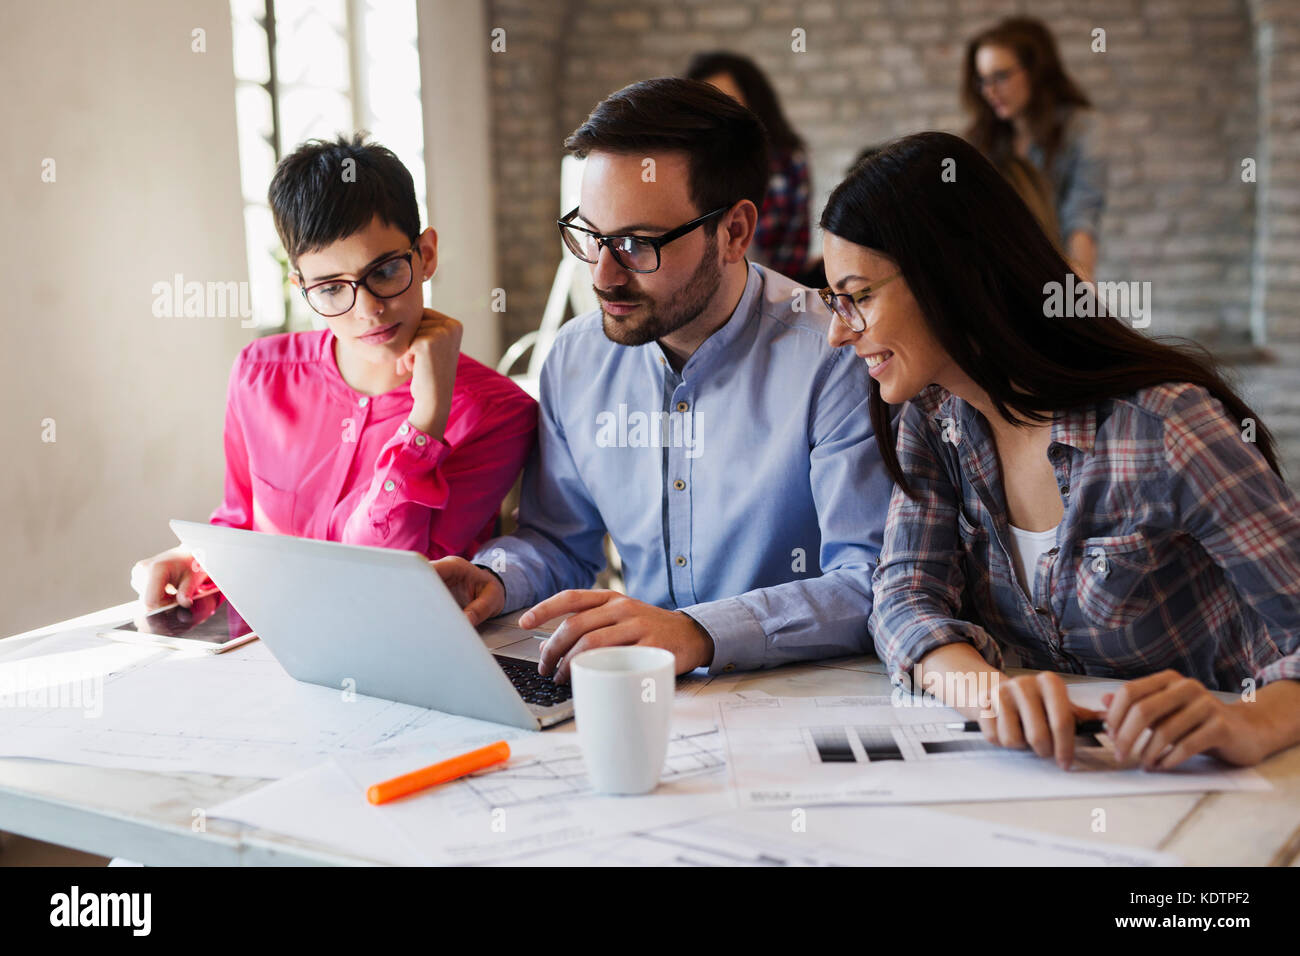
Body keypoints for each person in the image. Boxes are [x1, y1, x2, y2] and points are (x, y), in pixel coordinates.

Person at [820, 131, 1300, 771]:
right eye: (833, 300)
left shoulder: (1164, 427)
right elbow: (905, 596)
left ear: (952, 277)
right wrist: (989, 692)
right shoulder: (934, 422)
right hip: (1070, 782)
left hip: (1231, 786)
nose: (834, 333)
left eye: (858, 296)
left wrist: (1250, 722)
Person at [432, 78, 892, 682]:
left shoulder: (832, 356)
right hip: (640, 689)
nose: (603, 276)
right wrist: (495, 576)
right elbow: (561, 542)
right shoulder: (575, 359)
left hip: (801, 695)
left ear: (733, 232)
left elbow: (870, 584)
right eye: (591, 236)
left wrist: (701, 632)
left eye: (634, 244)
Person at [131, 135, 537, 609]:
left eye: (384, 272)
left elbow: (395, 588)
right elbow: (241, 521)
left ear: (425, 255)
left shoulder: (499, 414)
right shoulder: (260, 374)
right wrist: (196, 560)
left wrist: (424, 422)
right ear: (300, 286)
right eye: (329, 288)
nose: (368, 310)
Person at [963, 16, 1105, 277]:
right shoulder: (984, 138)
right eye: (982, 80)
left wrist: (1081, 281)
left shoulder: (1080, 128)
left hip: (1055, 276)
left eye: (1001, 76)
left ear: (1036, 71)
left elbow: (1081, 214)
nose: (989, 91)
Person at [686, 51, 812, 282]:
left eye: (728, 102)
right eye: (707, 107)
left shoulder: (785, 164)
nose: (719, 116)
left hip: (769, 290)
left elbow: (792, 253)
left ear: (753, 103)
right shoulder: (686, 166)